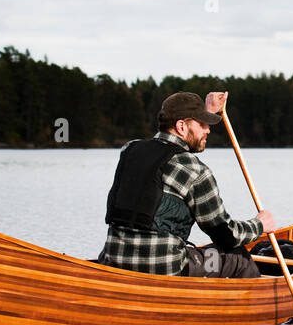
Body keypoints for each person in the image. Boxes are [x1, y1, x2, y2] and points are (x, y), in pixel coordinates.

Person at [97, 90, 274, 277]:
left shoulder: (129, 150)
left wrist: (203, 112)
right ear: (181, 126)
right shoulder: (196, 171)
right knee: (237, 258)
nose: (208, 130)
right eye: (202, 124)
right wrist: (260, 225)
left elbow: (162, 150)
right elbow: (226, 236)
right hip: (166, 268)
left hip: (113, 261)